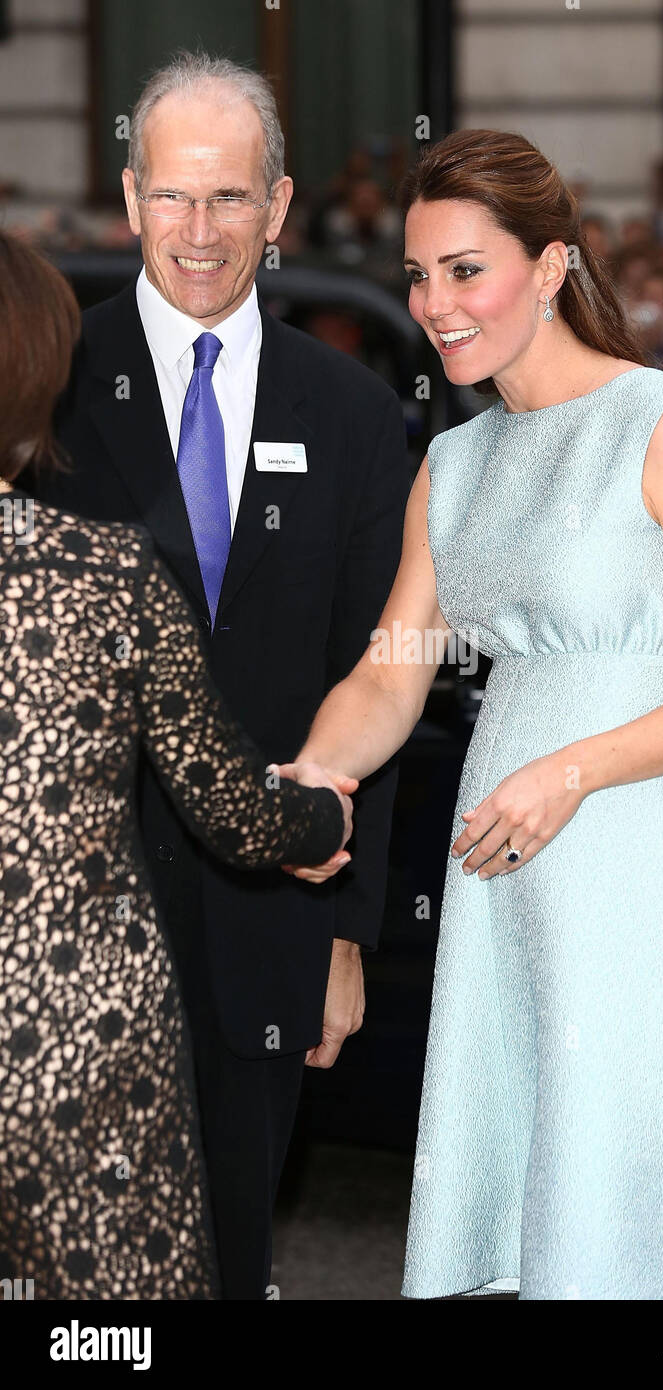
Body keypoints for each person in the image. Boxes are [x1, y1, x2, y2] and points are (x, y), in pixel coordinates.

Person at [276, 130, 663, 1300]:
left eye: (465, 269)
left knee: (655, 1202)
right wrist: (291, 787)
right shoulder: (457, 462)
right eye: (419, 274)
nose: (435, 303)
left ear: (548, 267)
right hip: (514, 872)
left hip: (651, 847)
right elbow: (392, 674)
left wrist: (573, 770)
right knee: (548, 1201)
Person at [24, 51, 408, 1300]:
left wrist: (347, 935)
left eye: (229, 198)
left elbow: (381, 673)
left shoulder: (350, 410)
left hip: (274, 919)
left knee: (236, 1252)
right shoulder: (44, 390)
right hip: (70, 943)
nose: (199, 232)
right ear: (129, 200)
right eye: (173, 197)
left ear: (280, 207)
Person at [0, 229, 352, 1299]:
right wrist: (325, 822)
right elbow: (228, 803)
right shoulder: (102, 570)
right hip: (79, 1036)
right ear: (39, 375)